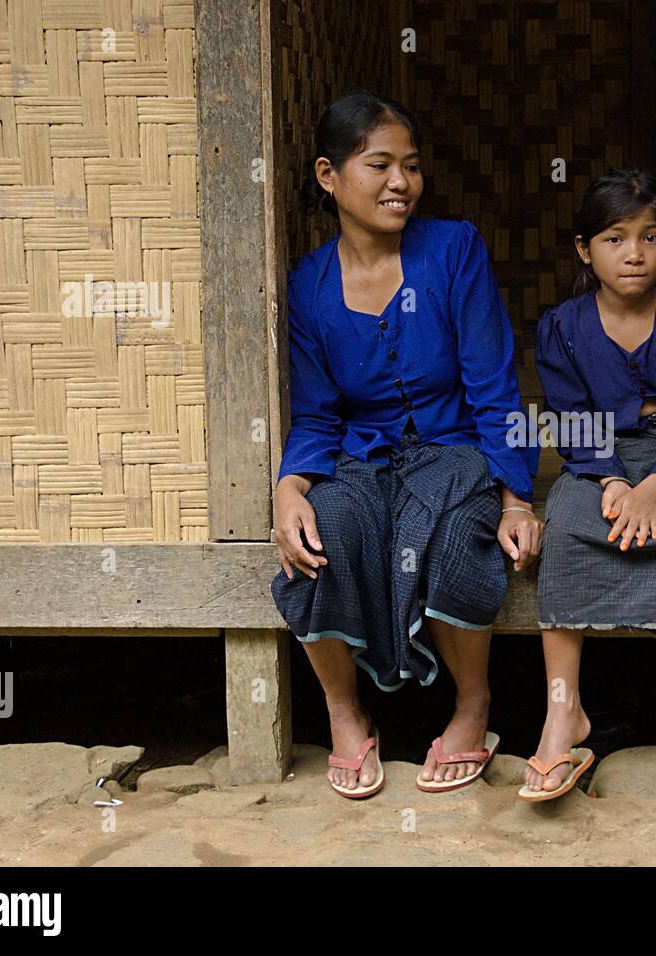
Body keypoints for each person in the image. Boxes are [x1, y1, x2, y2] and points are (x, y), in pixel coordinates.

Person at [270, 90, 541, 799]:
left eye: (412, 167)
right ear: (329, 176)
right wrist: (289, 488)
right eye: (381, 165)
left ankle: (472, 705)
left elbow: (493, 384)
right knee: (324, 533)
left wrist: (517, 496)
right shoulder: (311, 284)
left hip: (454, 451)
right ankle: (343, 710)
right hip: (363, 456)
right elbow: (319, 413)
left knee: (454, 535)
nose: (402, 183)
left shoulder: (454, 251)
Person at [521, 170, 656, 814]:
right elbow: (567, 416)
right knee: (565, 532)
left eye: (650, 237)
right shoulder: (562, 326)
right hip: (599, 459)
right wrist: (615, 478)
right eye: (615, 238)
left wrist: (654, 485)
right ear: (583, 249)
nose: (634, 252)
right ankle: (564, 716)